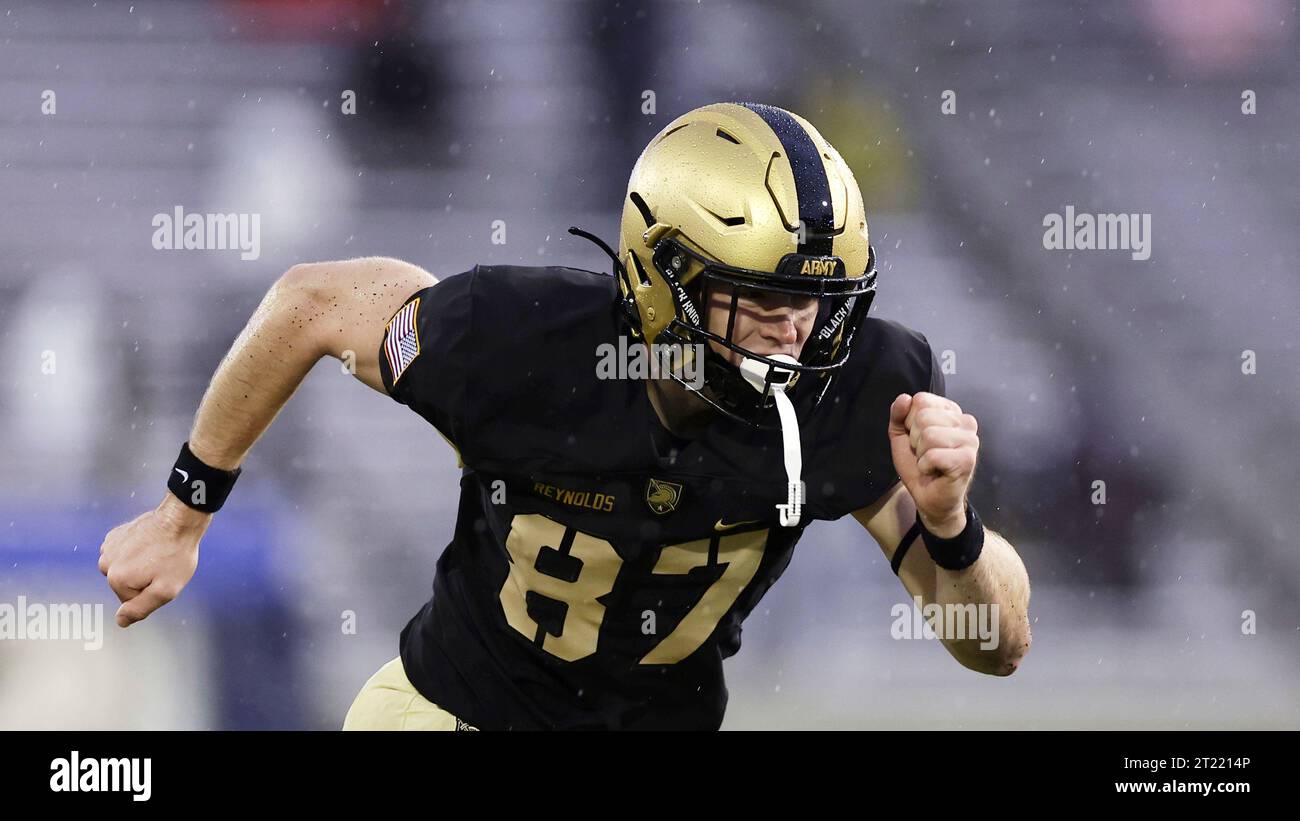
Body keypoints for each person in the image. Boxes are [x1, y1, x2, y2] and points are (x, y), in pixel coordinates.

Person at [98, 102, 1031, 730]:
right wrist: (186, 510)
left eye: (817, 307)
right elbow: (311, 304)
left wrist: (952, 529)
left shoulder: (860, 387)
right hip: (453, 714)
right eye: (759, 303)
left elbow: (998, 650)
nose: (796, 340)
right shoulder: (522, 339)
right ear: (663, 281)